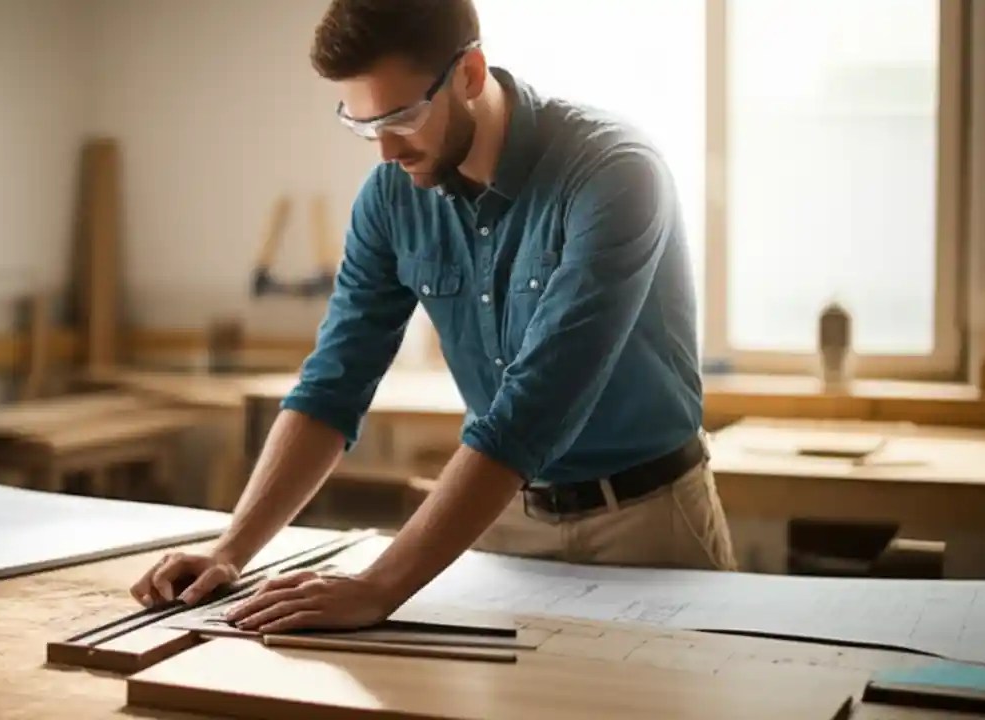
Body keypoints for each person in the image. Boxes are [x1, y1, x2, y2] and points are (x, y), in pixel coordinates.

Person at [130, 0, 736, 634]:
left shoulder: (614, 173)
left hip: (647, 521)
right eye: (363, 125)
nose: (386, 151)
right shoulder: (391, 199)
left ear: (470, 74)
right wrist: (231, 551)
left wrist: (378, 587)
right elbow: (332, 384)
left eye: (402, 118)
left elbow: (535, 406)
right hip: (500, 519)